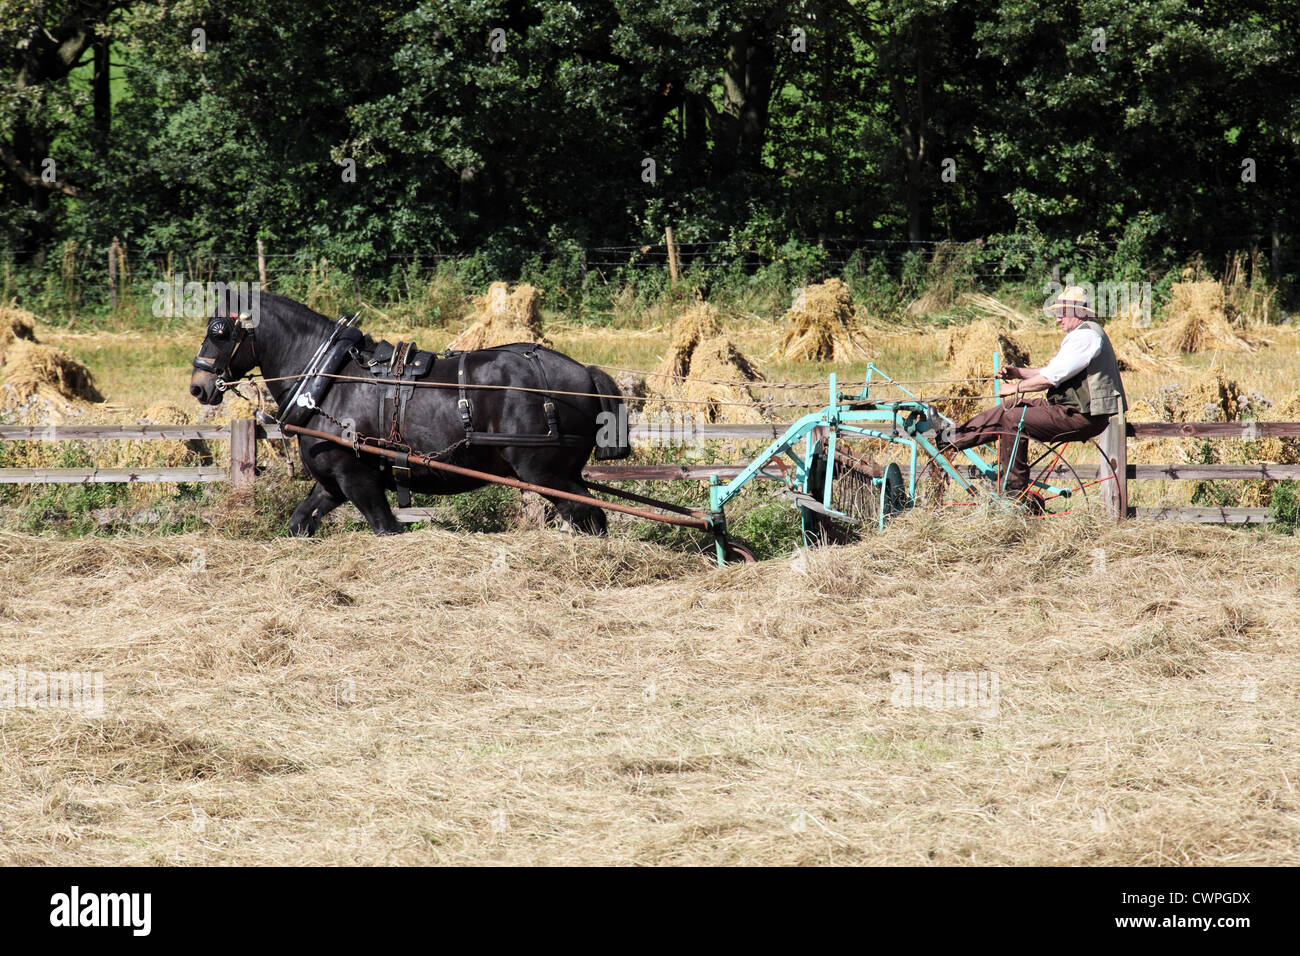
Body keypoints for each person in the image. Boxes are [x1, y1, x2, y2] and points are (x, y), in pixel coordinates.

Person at [939, 285, 1127, 509]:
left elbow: (1050, 378)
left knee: (1013, 419)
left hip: (1081, 416)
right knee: (1010, 407)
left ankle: (1013, 492)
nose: (1058, 320)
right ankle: (952, 437)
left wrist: (1016, 387)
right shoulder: (1084, 334)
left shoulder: (1085, 337)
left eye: (1061, 313)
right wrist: (1019, 373)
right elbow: (1053, 371)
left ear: (1076, 311)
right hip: (1071, 410)